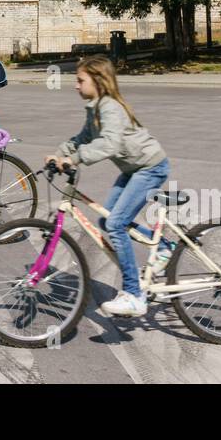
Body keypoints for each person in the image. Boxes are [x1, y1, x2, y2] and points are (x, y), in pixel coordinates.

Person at [46, 55, 172, 318]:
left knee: (115, 224)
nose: (75, 85)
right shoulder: (95, 108)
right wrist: (59, 155)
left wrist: (75, 159)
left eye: (80, 80)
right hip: (133, 169)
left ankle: (134, 295)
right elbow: (82, 139)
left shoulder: (110, 107)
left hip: (150, 168)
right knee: (108, 222)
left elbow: (109, 144)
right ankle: (163, 247)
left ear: (98, 81)